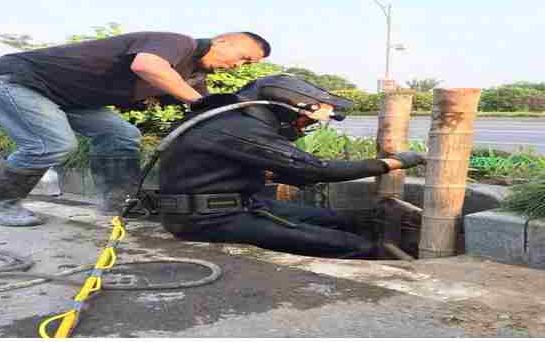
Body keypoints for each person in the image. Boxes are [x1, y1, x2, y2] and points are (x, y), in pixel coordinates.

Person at [0, 31, 271, 226]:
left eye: (247, 65)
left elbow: (202, 113)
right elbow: (147, 66)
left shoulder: (192, 76)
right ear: (223, 41)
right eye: (242, 57)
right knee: (52, 144)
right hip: (4, 80)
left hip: (65, 96)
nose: (239, 66)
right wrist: (200, 101)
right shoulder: (178, 43)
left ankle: (119, 201)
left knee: (122, 135)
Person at [155, 75, 426, 259]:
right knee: (356, 246)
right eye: (304, 121)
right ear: (285, 108)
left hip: (234, 206)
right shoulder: (238, 127)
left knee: (345, 221)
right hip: (207, 220)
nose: (302, 127)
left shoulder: (229, 120)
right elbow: (317, 169)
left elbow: (271, 168)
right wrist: (393, 163)